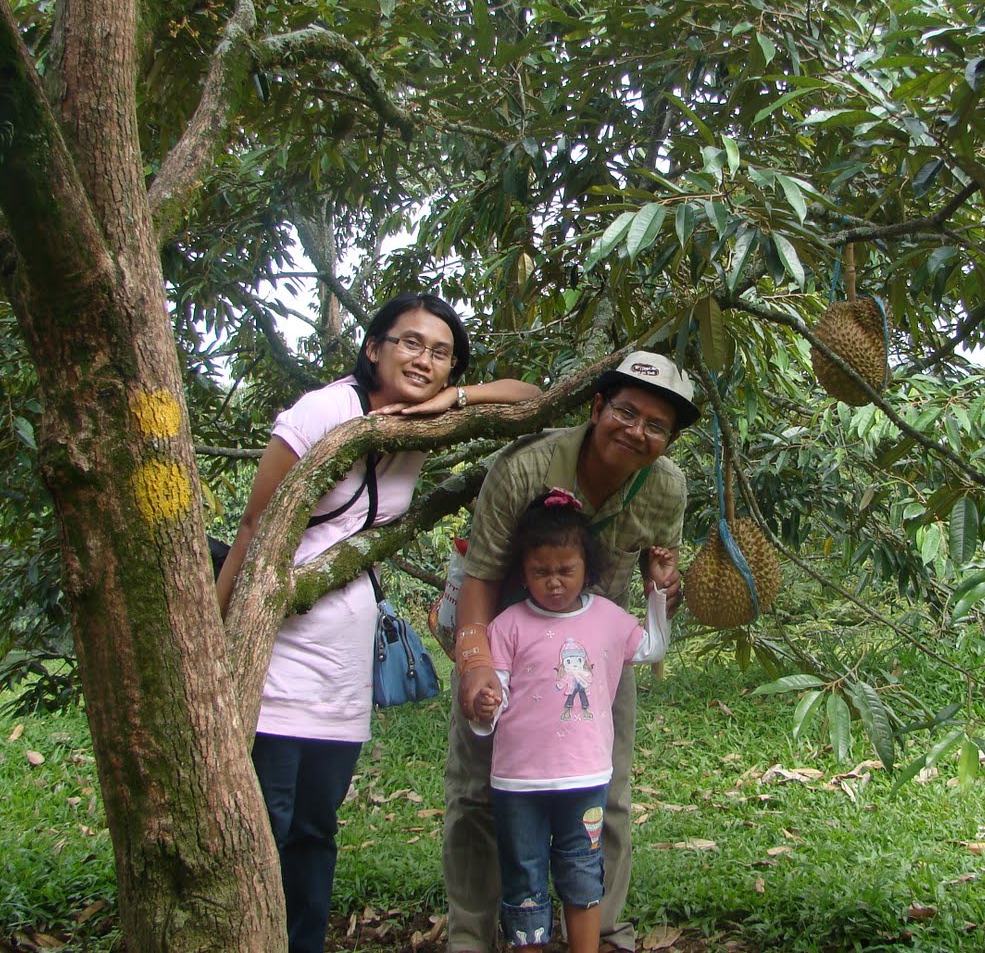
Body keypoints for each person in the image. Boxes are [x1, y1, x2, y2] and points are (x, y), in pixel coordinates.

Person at [215, 292, 539, 953]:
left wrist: (452, 402)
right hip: (276, 650)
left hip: (341, 663)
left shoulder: (421, 421)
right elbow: (254, 523)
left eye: (441, 352)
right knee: (264, 824)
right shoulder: (325, 411)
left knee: (315, 827)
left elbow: (533, 398)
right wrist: (218, 637)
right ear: (373, 348)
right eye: (410, 342)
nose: (424, 359)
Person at [444, 350, 700, 953]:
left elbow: (661, 582)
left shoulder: (666, 489)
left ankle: (602, 932)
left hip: (595, 644)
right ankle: (472, 939)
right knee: (480, 792)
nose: (637, 432)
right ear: (596, 408)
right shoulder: (527, 468)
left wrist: (667, 587)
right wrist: (477, 660)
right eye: (626, 412)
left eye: (657, 426)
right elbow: (480, 575)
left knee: (604, 791)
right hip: (510, 628)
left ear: (668, 440)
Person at [468, 490, 674, 953]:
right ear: (523, 572)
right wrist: (483, 709)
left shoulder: (608, 618)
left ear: (587, 567)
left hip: (585, 779)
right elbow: (492, 695)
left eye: (566, 570)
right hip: (518, 784)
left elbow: (652, 649)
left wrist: (656, 591)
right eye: (542, 572)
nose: (554, 582)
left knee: (583, 870)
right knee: (523, 876)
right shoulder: (508, 625)